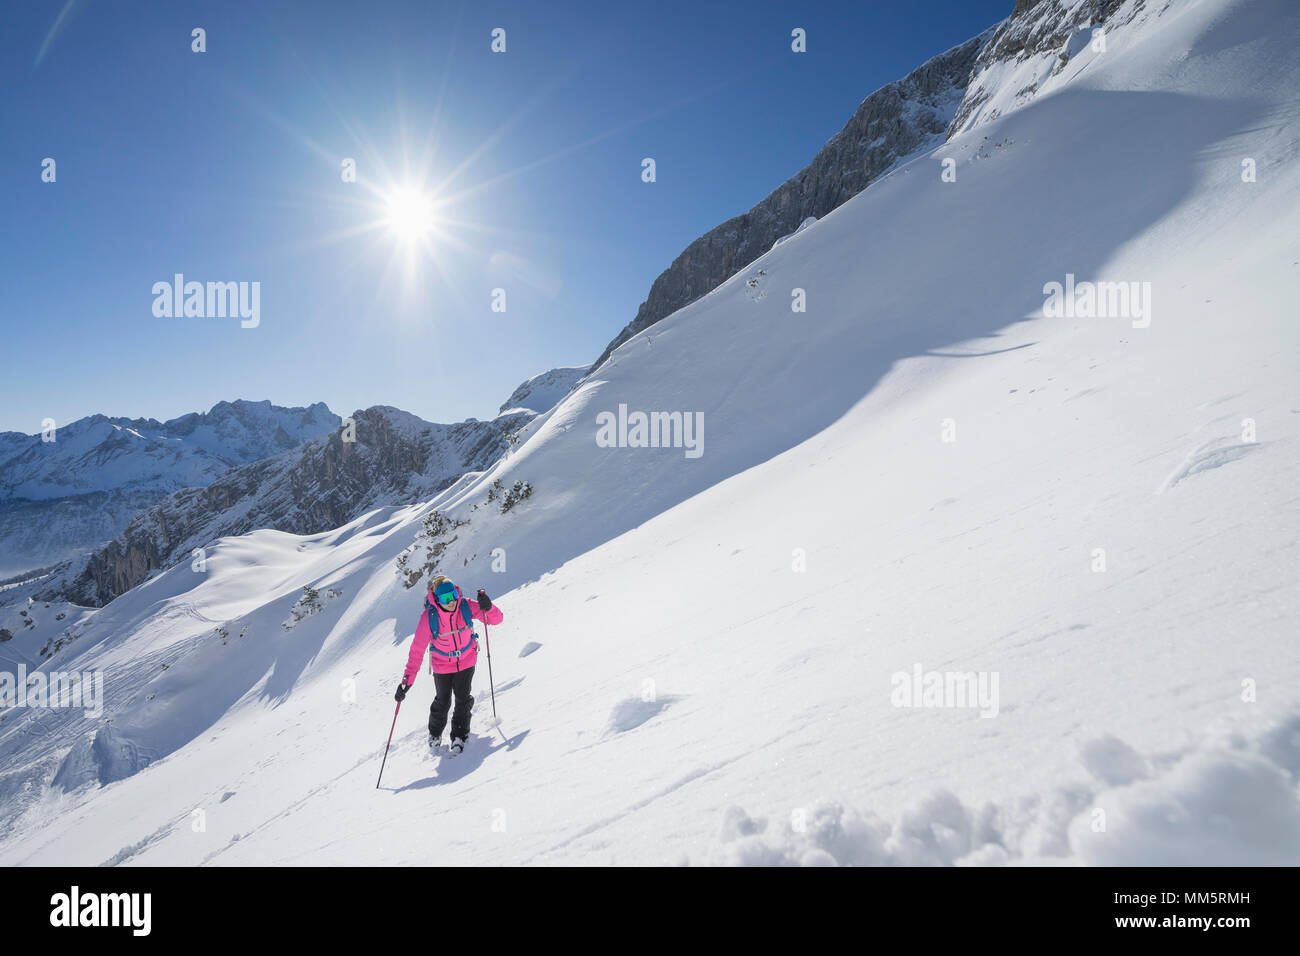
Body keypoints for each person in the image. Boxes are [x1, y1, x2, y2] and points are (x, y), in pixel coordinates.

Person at [394, 574, 503, 756]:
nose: (451, 601)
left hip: (467, 660)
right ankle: (435, 735)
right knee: (442, 701)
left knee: (463, 699)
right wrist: (407, 681)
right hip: (442, 665)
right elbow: (417, 651)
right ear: (437, 600)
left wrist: (488, 607)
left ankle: (459, 736)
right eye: (446, 598)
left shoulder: (466, 606)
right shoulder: (429, 618)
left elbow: (497, 619)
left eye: (453, 595)